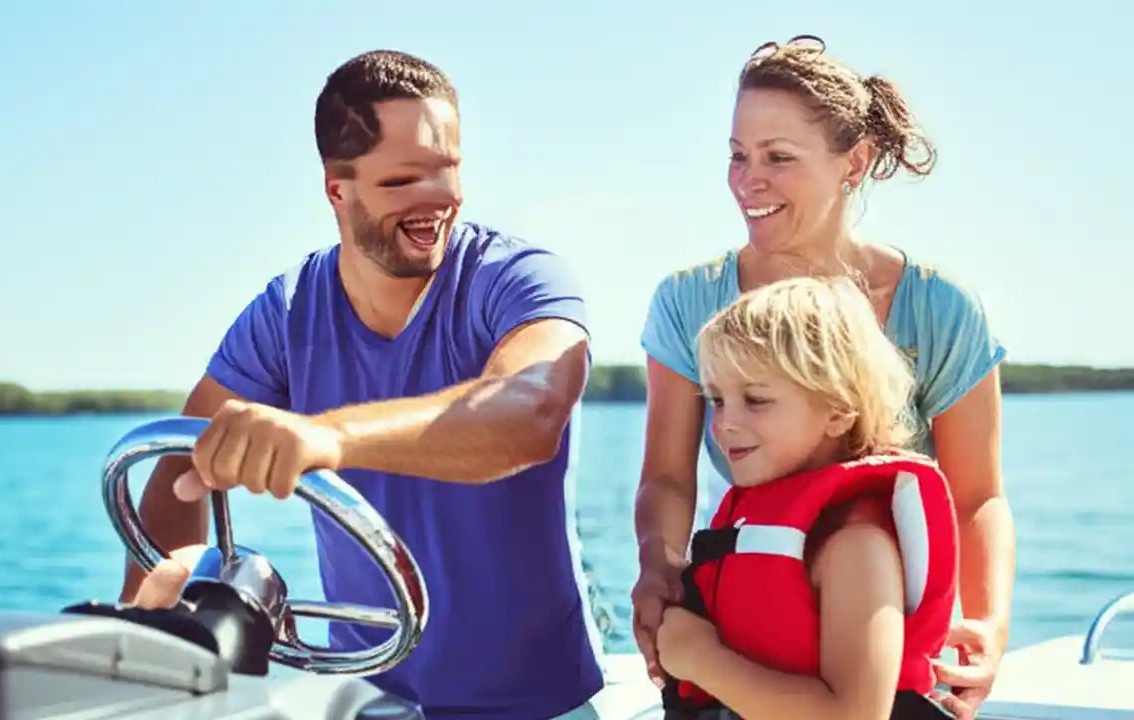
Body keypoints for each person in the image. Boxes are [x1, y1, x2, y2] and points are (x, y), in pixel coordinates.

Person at [120, 49, 605, 720]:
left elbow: (532, 411)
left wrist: (324, 437)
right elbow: (182, 460)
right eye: (404, 179)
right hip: (367, 699)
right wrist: (147, 647)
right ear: (336, 189)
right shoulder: (287, 313)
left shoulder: (520, 279)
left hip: (537, 707)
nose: (437, 200)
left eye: (448, 170)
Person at [631, 35, 1014, 718]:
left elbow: (976, 496)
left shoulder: (941, 308)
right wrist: (658, 571)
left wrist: (987, 629)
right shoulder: (687, 302)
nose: (750, 179)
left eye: (779, 157)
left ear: (855, 163)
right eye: (738, 155)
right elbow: (666, 476)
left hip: (870, 636)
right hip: (744, 642)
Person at [655, 276, 960, 720]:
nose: (724, 424)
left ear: (837, 411)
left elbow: (855, 715)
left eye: (756, 400)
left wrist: (702, 659)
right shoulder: (758, 524)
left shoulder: (856, 546)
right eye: (717, 400)